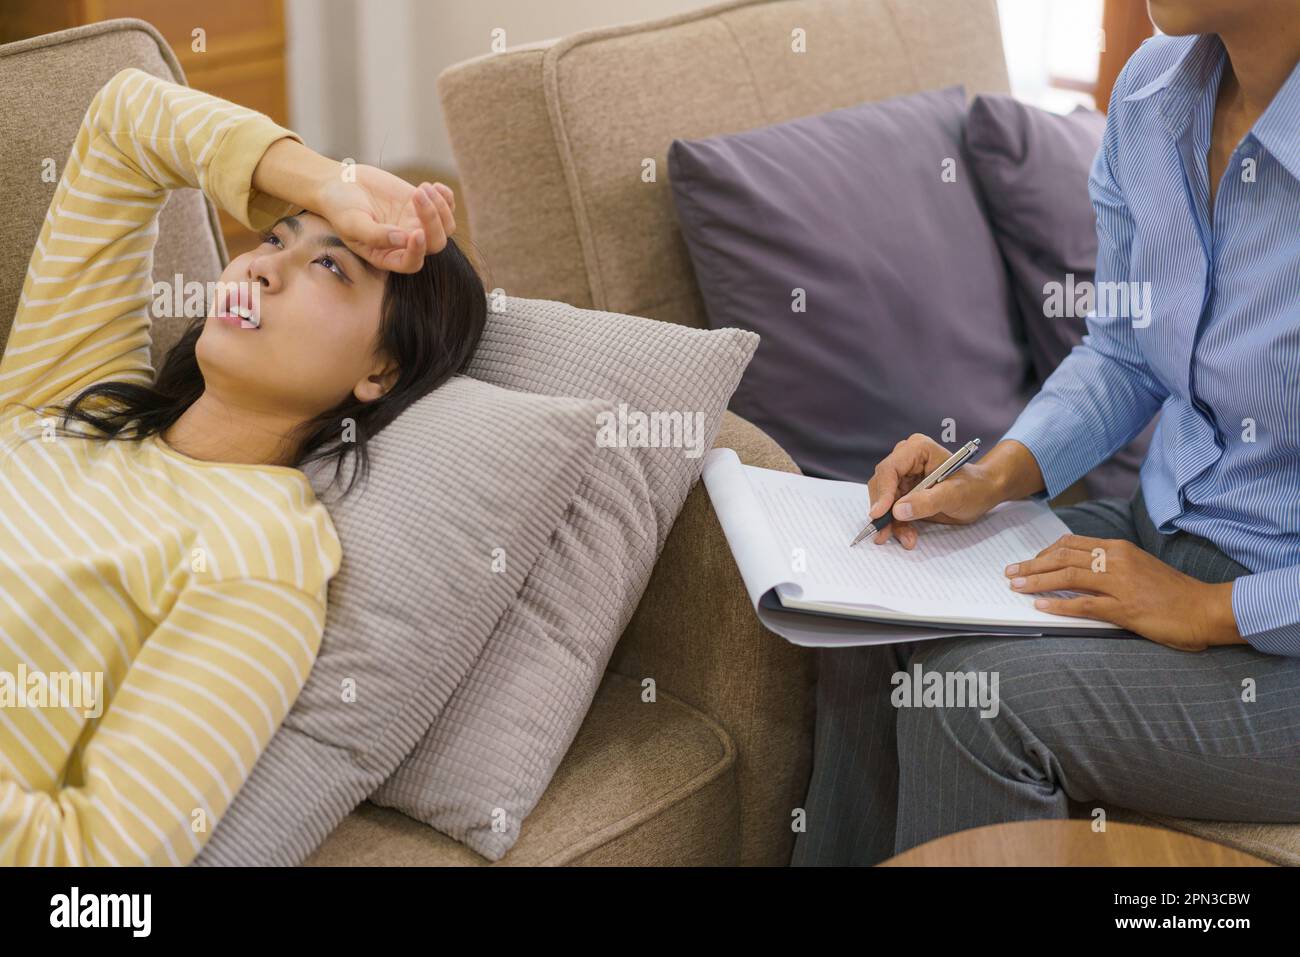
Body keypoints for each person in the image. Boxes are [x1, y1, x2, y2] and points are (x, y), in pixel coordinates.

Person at [794, 0, 1300, 865]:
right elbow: (1124, 354)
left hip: (1276, 618)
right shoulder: (1152, 97)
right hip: (1164, 530)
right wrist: (992, 477)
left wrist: (1213, 609)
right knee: (873, 608)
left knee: (972, 704)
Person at [0, 67, 485, 864]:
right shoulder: (74, 397)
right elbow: (125, 119)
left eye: (331, 267)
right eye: (273, 238)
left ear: (382, 373)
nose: (259, 269)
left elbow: (99, 881)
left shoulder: (260, 556)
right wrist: (332, 184)